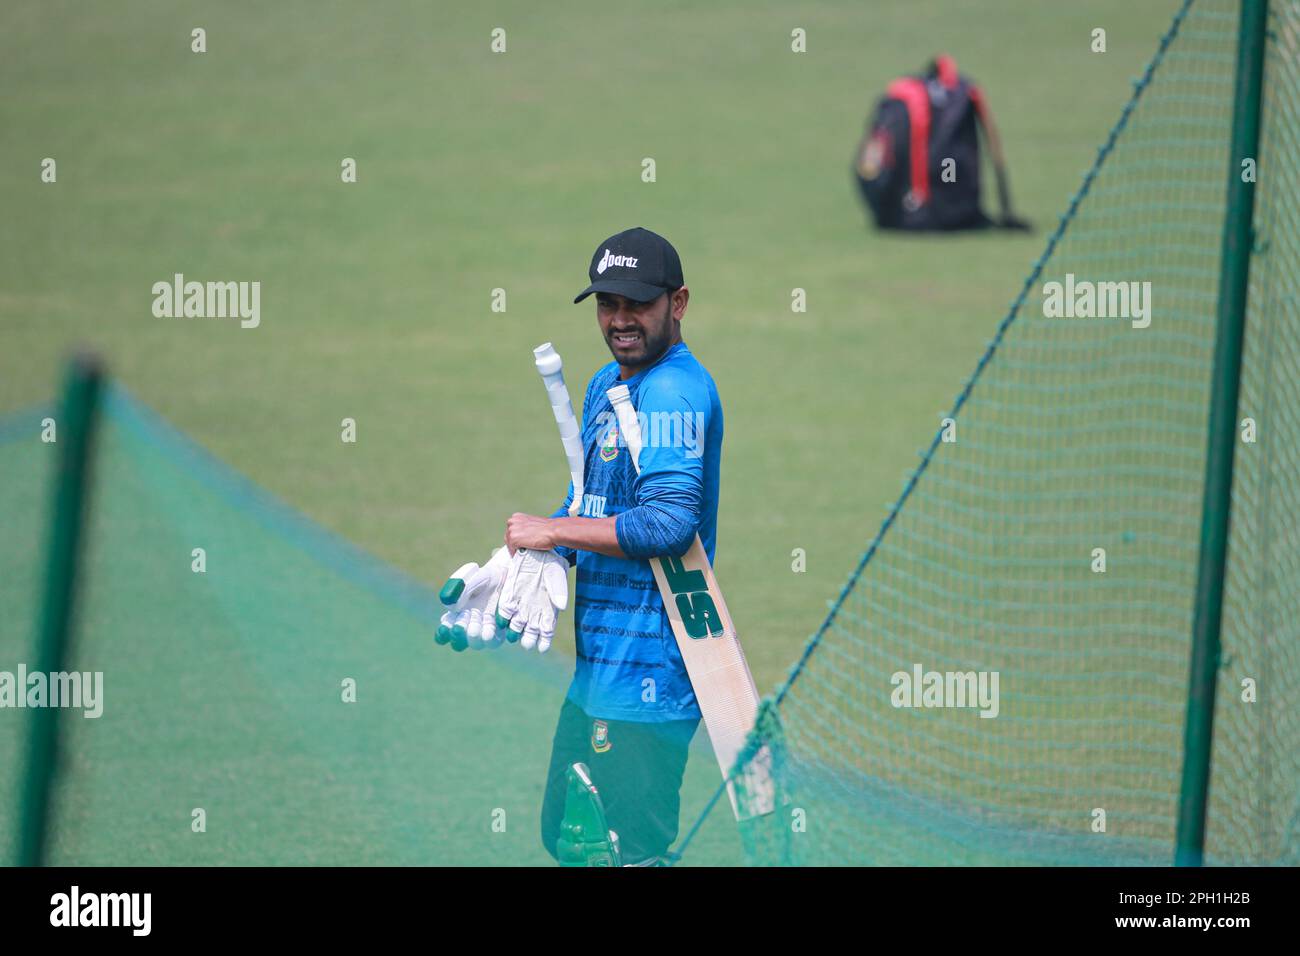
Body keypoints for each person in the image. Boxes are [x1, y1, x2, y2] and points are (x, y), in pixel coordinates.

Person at [438, 226, 723, 865]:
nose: (620, 320)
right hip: (599, 669)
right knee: (570, 841)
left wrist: (554, 532)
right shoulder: (605, 384)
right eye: (607, 304)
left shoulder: (675, 392)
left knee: (621, 851)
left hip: (650, 675)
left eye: (637, 305)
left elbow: (669, 524)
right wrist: (522, 559)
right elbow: (591, 501)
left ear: (678, 304)